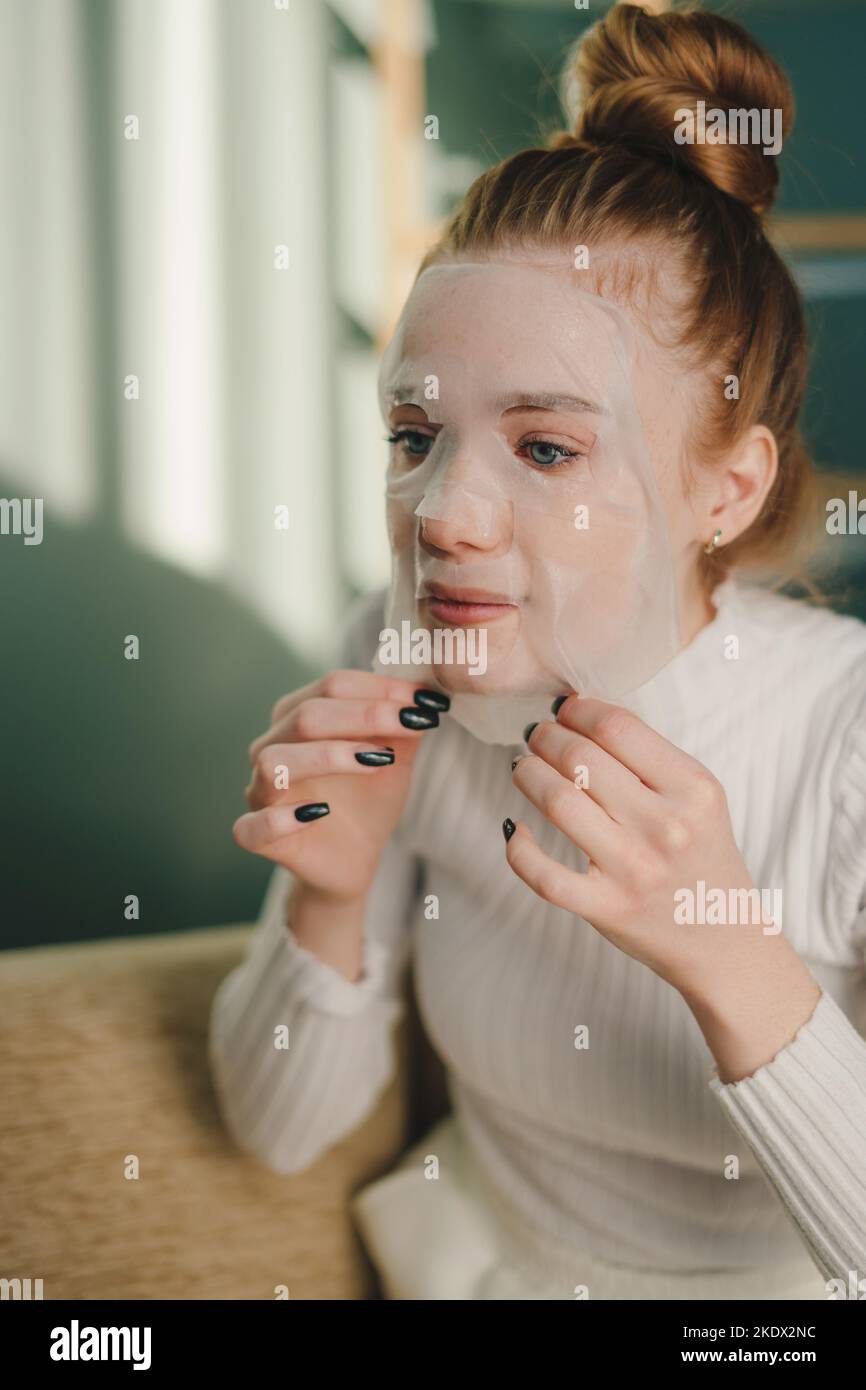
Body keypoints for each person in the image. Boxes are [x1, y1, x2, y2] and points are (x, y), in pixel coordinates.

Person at [208, 5, 866, 1300]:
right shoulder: (395, 664)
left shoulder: (841, 733)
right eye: (413, 435)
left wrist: (725, 946)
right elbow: (270, 1131)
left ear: (722, 491)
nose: (442, 512)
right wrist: (325, 898)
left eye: (547, 448)